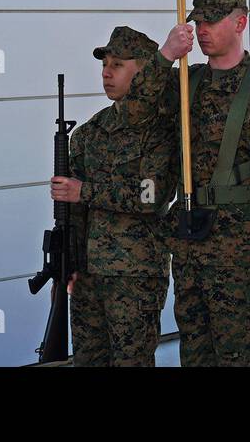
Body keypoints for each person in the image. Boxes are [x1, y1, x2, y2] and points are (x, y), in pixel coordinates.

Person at [122, 0, 250, 366]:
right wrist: (166, 56)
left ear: (240, 22)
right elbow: (133, 112)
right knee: (195, 356)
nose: (202, 29)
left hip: (242, 255)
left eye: (212, 21)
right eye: (198, 21)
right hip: (191, 248)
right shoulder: (187, 83)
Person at [52, 25, 177, 366]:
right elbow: (73, 211)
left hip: (135, 276)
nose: (106, 72)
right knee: (88, 361)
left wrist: (86, 192)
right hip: (89, 276)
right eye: (104, 64)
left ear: (145, 70)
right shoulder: (89, 133)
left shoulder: (158, 130)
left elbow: (152, 196)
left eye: (118, 64)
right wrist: (71, 264)